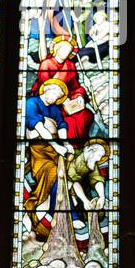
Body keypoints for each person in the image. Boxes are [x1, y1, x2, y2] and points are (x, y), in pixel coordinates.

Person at [24, 79, 73, 234]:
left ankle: (62, 214)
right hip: (38, 148)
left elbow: (62, 125)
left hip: (54, 147)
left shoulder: (54, 109)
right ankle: (43, 211)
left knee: (67, 171)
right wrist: (57, 146)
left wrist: (65, 144)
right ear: (47, 89)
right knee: (51, 170)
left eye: (58, 97)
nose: (55, 98)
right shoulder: (32, 103)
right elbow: (40, 128)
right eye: (54, 94)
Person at [32, 35, 94, 141]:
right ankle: (68, 146)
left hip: (68, 101)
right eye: (64, 49)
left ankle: (79, 147)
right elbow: (45, 87)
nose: (66, 52)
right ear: (57, 48)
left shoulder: (70, 65)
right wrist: (62, 99)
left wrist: (79, 96)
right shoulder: (46, 64)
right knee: (68, 121)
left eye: (69, 50)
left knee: (85, 115)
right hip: (51, 101)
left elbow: (75, 86)